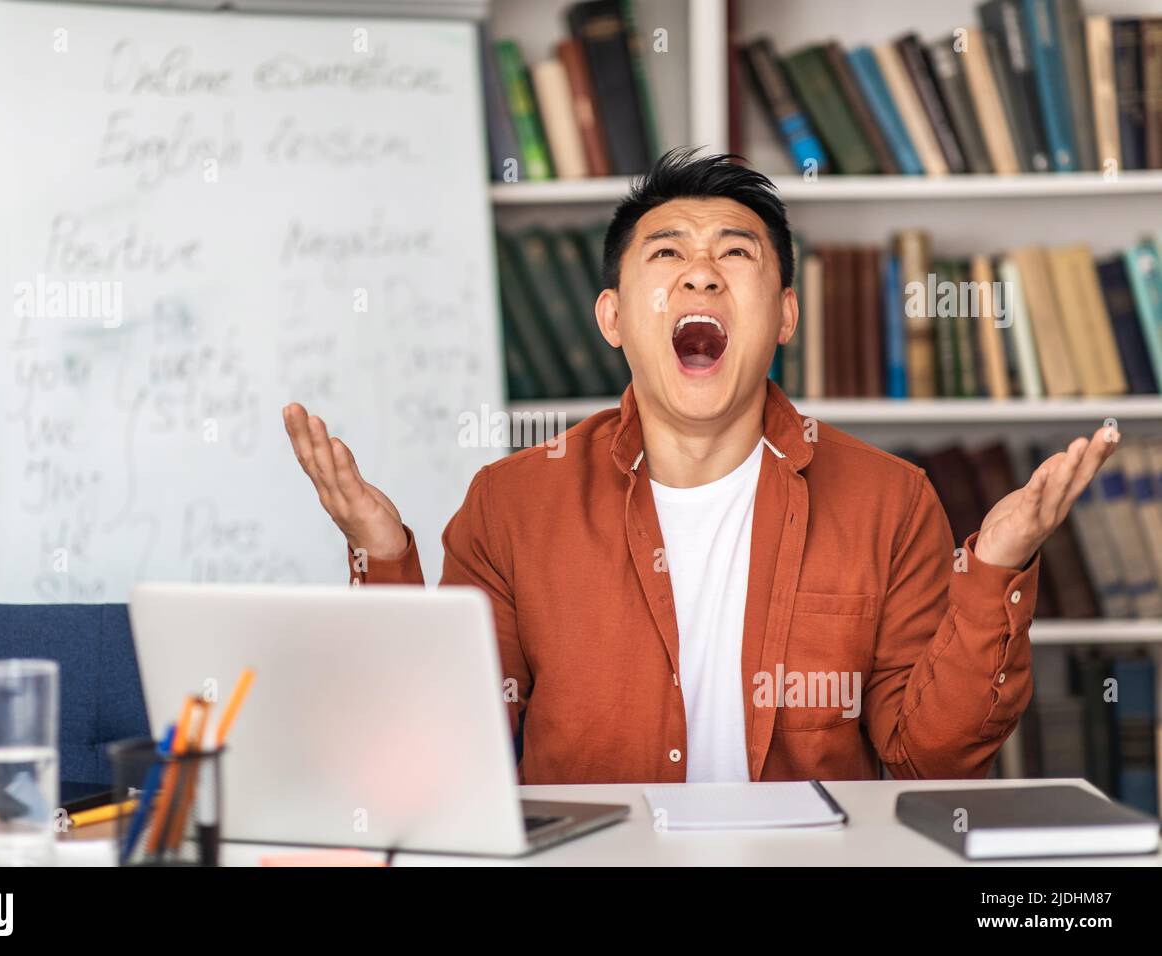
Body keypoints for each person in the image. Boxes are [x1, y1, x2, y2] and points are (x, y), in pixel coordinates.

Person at [281, 149, 1117, 785]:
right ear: (613, 318)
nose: (702, 275)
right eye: (666, 254)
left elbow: (928, 760)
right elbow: (445, 760)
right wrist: (382, 558)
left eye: (736, 254)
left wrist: (997, 567)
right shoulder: (510, 505)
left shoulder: (889, 501)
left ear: (785, 315)